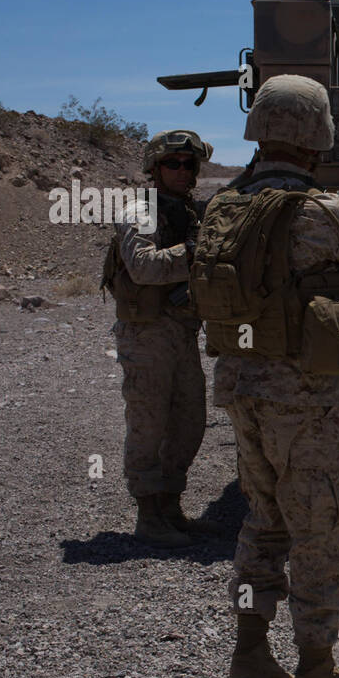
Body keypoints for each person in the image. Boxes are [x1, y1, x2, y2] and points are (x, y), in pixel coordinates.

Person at [197, 74, 339, 678]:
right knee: (327, 526)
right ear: (318, 134)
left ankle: (250, 656)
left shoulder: (223, 207)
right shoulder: (325, 211)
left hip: (238, 386)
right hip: (304, 399)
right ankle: (317, 668)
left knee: (265, 520)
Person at [103, 129, 217, 548]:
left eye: (189, 164)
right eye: (174, 164)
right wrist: (193, 251)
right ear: (155, 169)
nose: (183, 171)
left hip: (182, 330)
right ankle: (148, 515)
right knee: (149, 422)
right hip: (147, 333)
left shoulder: (191, 213)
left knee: (189, 421)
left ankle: (170, 507)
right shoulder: (139, 210)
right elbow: (144, 268)